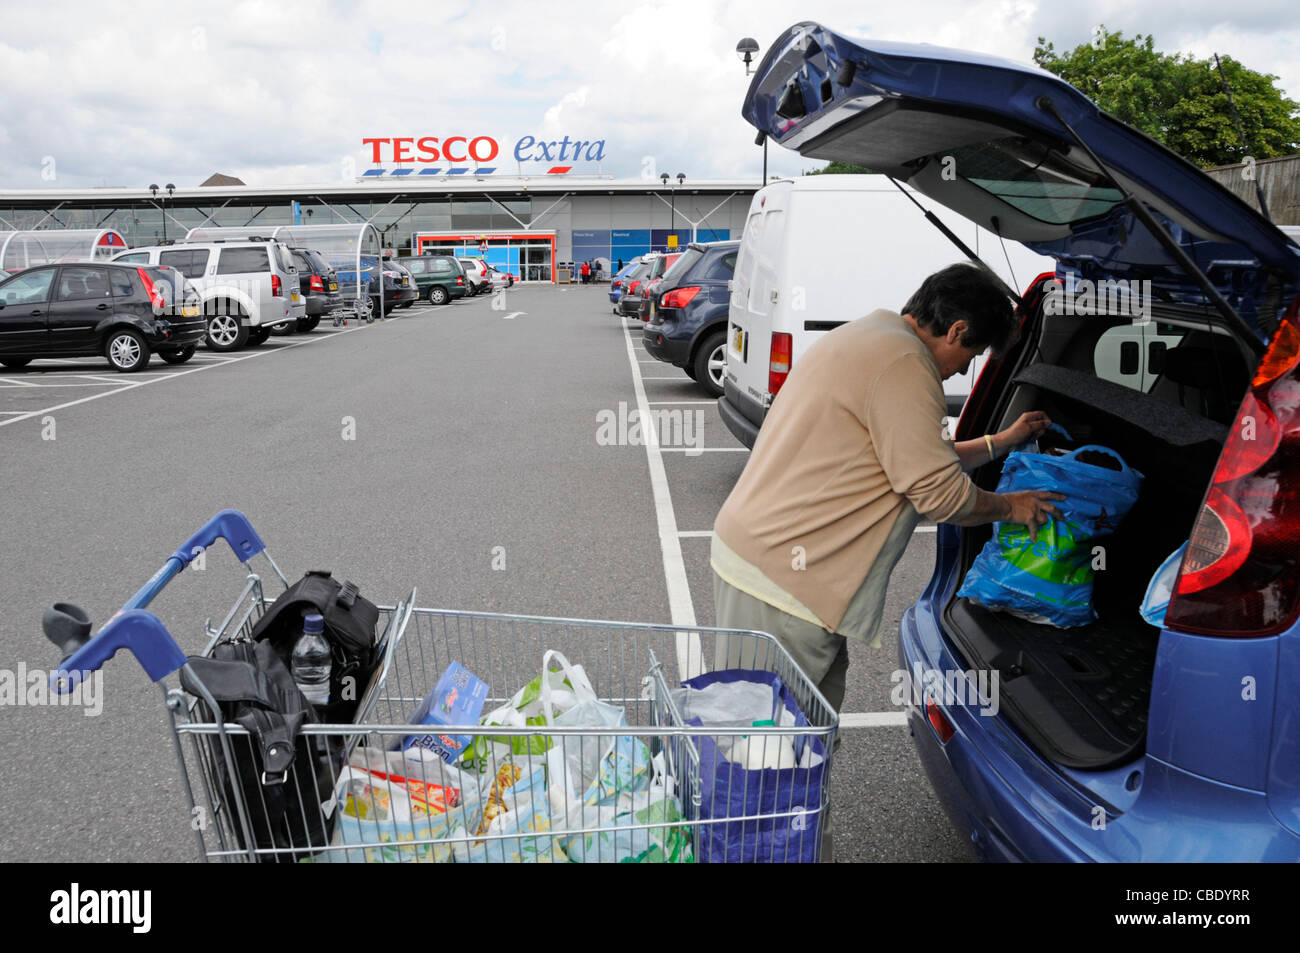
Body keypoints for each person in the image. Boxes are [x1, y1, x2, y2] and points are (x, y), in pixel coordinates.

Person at [711, 263, 1062, 715]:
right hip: (782, 582)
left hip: (766, 563)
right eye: (972, 355)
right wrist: (1013, 507)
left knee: (799, 725)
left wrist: (1000, 442)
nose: (961, 372)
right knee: (766, 742)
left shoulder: (872, 335)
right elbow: (941, 495)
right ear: (957, 330)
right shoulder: (907, 366)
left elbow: (917, 460)